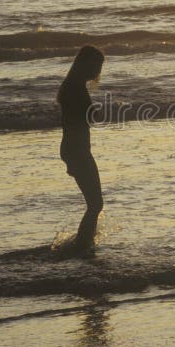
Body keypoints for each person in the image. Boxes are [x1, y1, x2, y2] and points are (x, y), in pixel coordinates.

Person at [57, 45, 105, 250]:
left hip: (74, 148)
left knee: (95, 204)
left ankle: (85, 243)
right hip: (77, 149)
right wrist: (95, 112)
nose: (98, 70)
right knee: (95, 204)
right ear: (85, 64)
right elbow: (83, 117)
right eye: (96, 65)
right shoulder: (74, 88)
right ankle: (83, 244)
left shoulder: (72, 86)